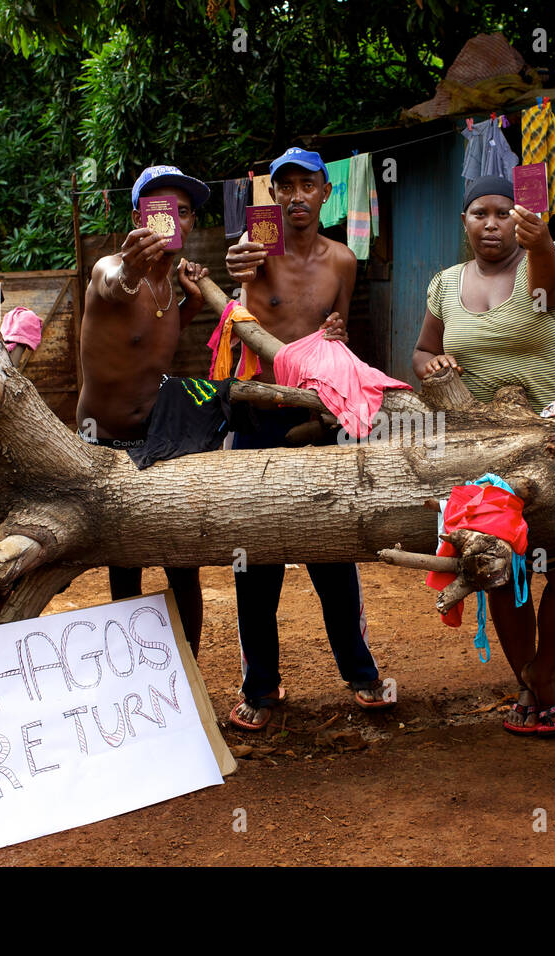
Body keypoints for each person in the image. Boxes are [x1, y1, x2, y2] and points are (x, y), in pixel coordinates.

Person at [411, 174, 555, 738]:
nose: (492, 223)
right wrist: (430, 367)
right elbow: (422, 350)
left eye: (503, 213)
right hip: (485, 452)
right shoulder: (444, 284)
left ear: (521, 218)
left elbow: (550, 292)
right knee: (501, 565)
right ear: (464, 222)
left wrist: (538, 243)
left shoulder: (549, 256)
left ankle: (546, 674)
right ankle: (526, 684)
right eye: (480, 213)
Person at [223, 146, 393, 730]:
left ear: (326, 193)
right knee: (255, 558)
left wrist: (337, 334)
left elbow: (338, 343)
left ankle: (362, 673)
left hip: (317, 419)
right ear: (273, 196)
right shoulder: (255, 255)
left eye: (307, 185)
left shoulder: (343, 261)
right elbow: (239, 306)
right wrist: (238, 267)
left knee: (332, 551)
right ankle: (261, 687)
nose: (296, 196)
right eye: (284, 186)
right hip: (257, 412)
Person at [77, 164, 212, 654]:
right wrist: (131, 269)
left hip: (157, 439)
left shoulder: (171, 289)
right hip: (105, 442)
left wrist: (191, 307)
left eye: (184, 212)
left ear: (192, 224)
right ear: (138, 216)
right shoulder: (109, 270)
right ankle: (129, 673)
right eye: (161, 211)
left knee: (183, 558)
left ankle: (188, 673)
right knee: (126, 564)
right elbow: (115, 285)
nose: (173, 220)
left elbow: (151, 349)